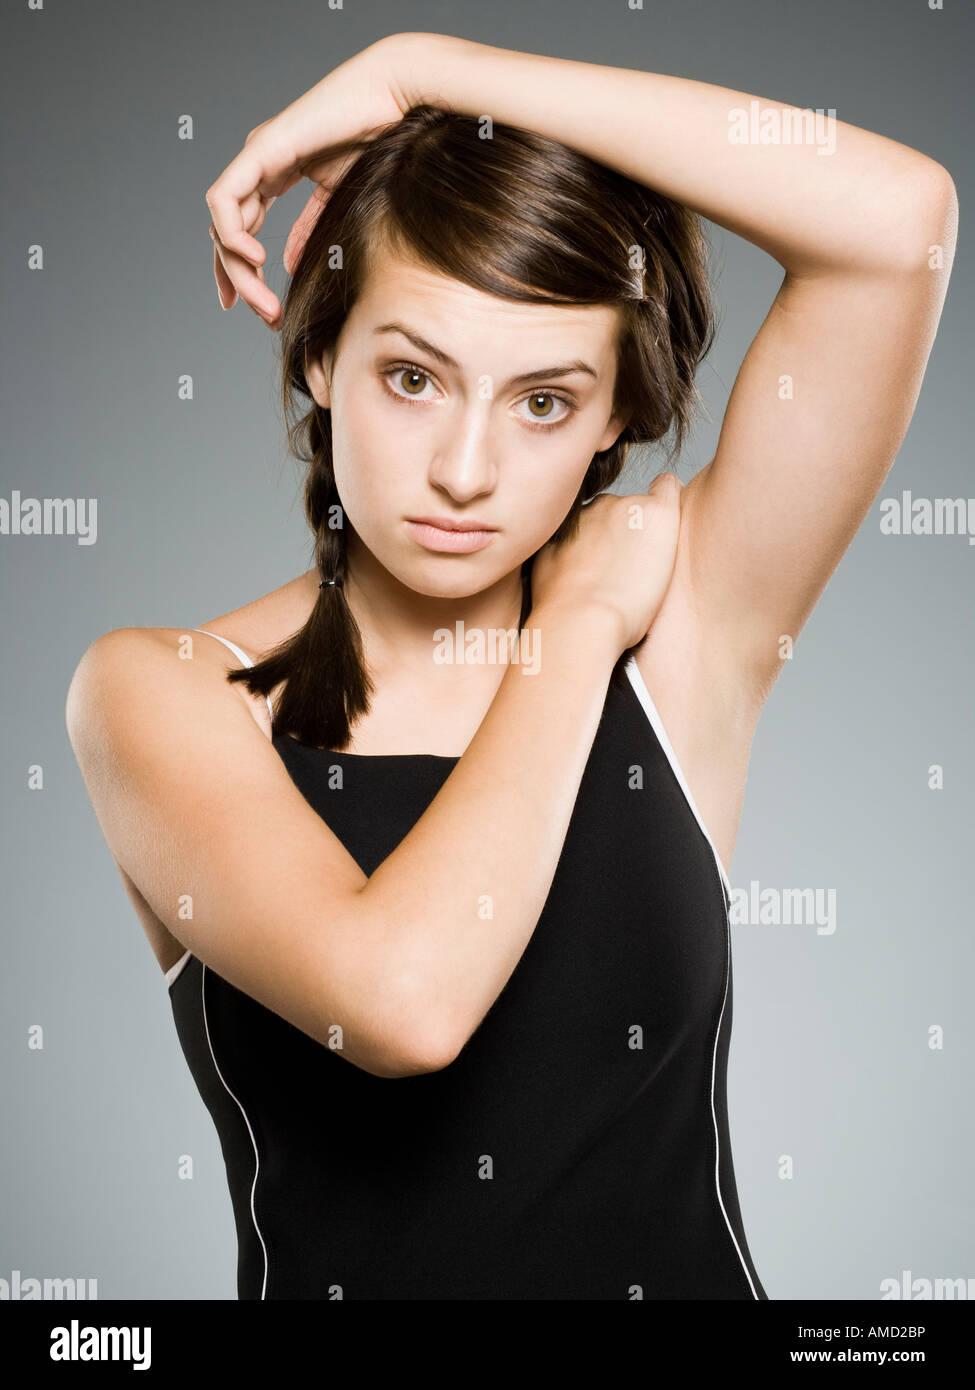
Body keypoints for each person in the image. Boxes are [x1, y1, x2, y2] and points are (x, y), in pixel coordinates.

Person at [65, 33, 956, 1300]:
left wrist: (426, 71)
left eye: (543, 399)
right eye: (413, 376)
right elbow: (403, 1002)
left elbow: (898, 221)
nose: (466, 469)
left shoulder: (684, 614)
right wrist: (573, 632)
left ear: (616, 416)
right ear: (321, 356)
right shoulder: (165, 690)